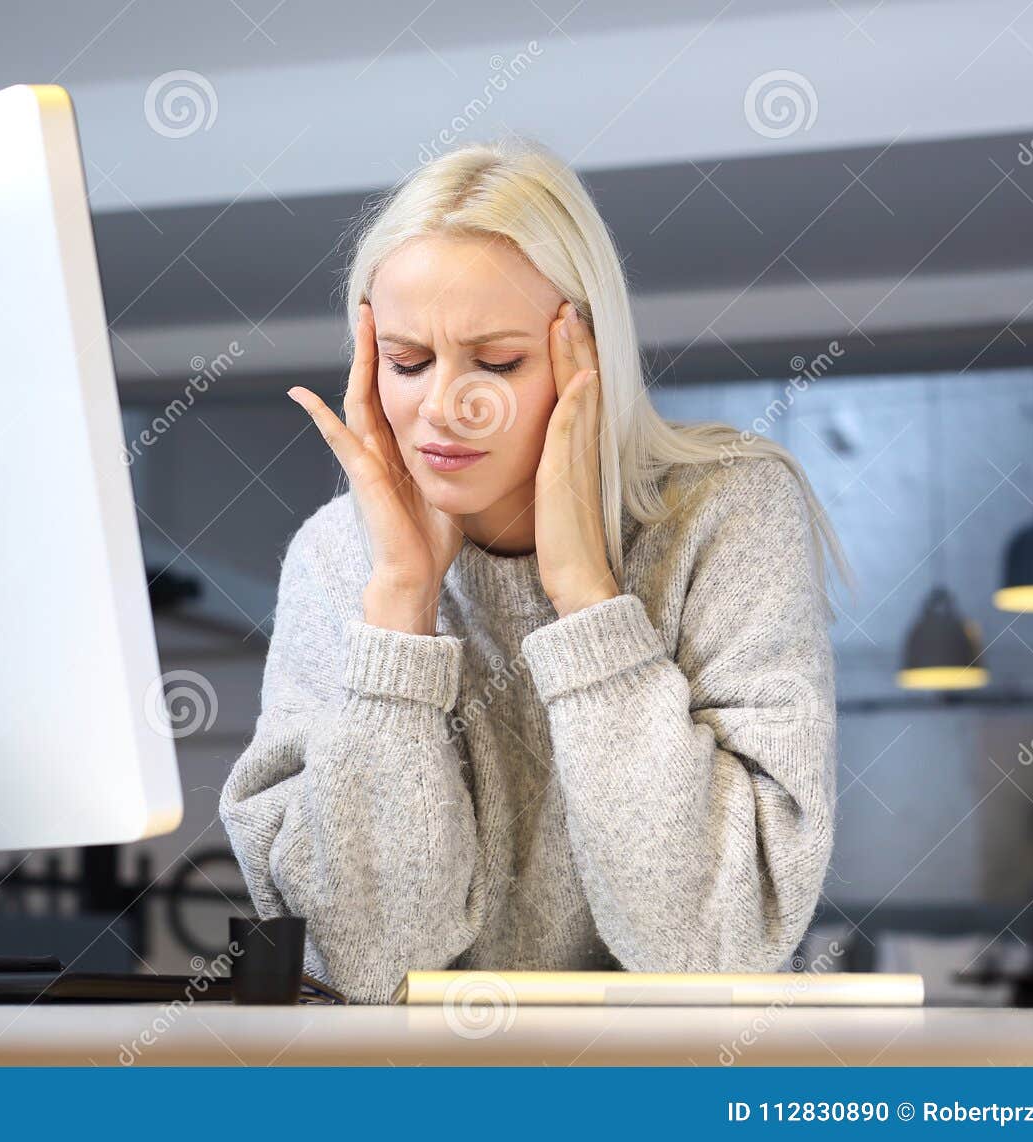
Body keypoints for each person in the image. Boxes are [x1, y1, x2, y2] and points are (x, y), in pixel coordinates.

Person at [219, 138, 849, 1005]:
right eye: (408, 362)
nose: (445, 407)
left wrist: (587, 599)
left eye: (496, 362)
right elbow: (367, 965)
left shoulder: (726, 512)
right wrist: (400, 610)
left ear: (584, 354)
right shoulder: (336, 560)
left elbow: (711, 947)